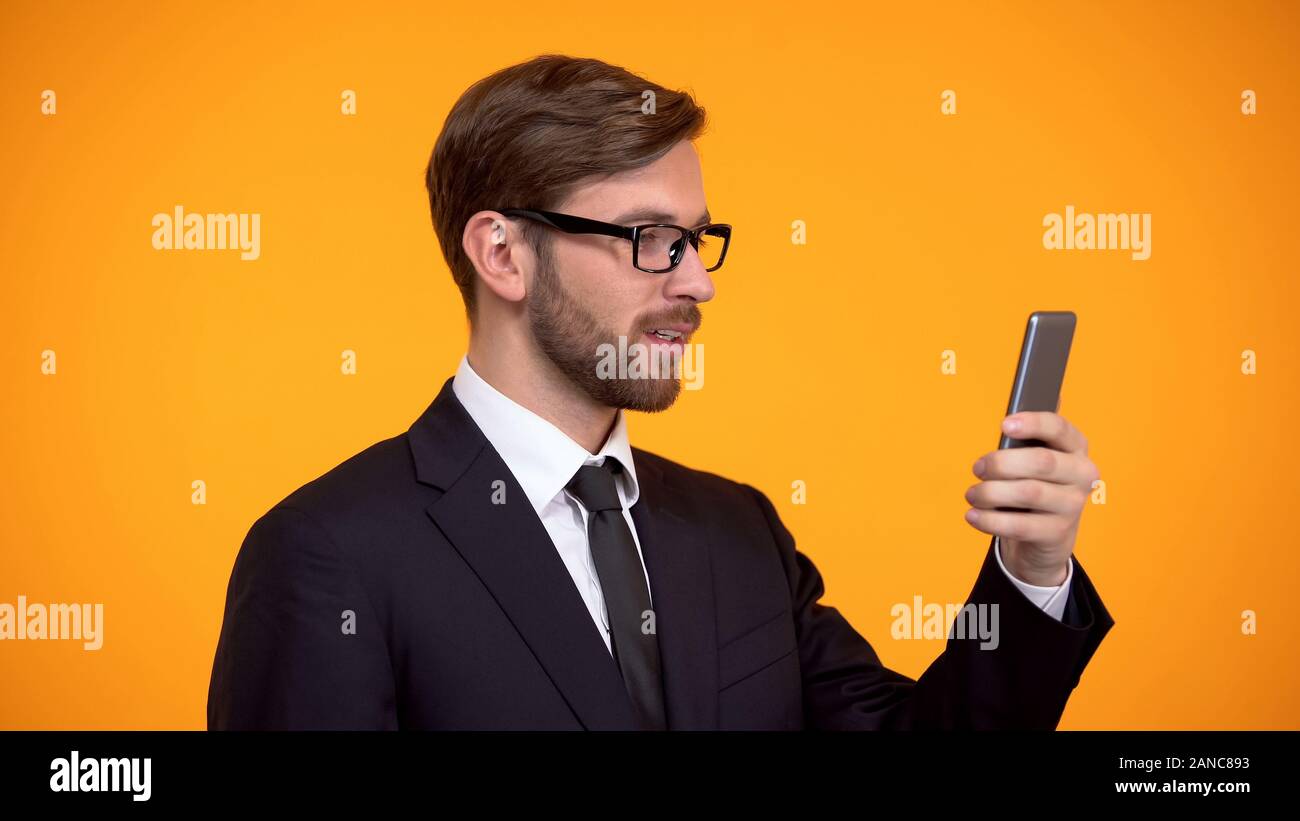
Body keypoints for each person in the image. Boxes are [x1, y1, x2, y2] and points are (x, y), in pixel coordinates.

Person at [207, 54, 1113, 730]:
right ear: (503, 253)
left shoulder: (737, 532)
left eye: (698, 239)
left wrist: (1030, 573)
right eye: (650, 237)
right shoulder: (327, 554)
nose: (697, 282)